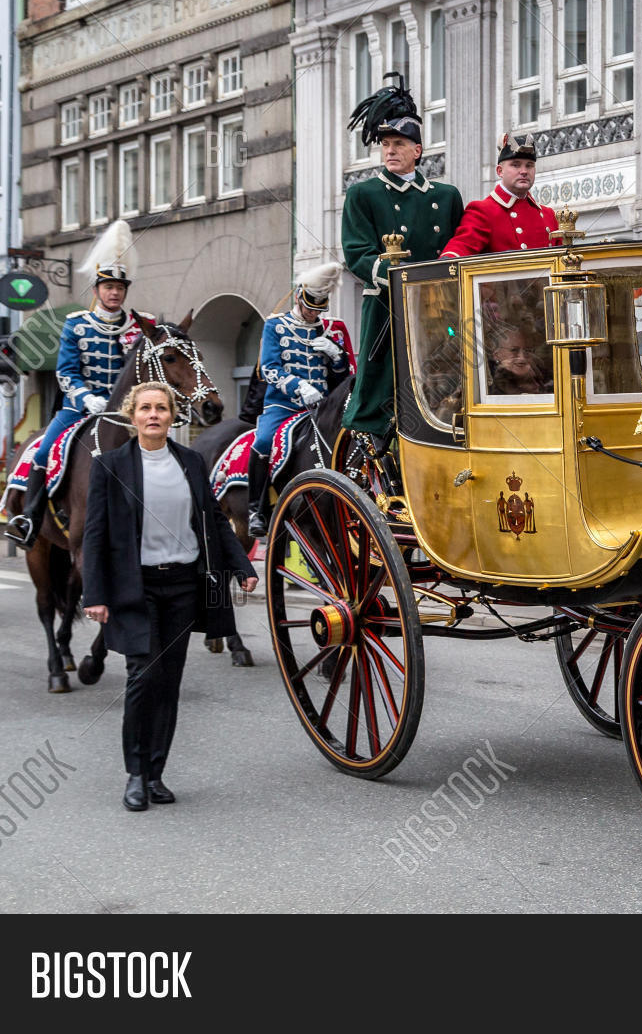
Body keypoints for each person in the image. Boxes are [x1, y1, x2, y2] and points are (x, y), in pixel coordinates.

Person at [82, 380, 258, 811]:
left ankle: (157, 773)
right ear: (133, 416)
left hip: (183, 585)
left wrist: (242, 565)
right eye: (145, 408)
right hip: (135, 588)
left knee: (169, 681)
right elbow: (96, 533)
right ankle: (136, 774)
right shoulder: (111, 465)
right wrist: (95, 594)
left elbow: (214, 522)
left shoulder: (193, 462)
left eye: (161, 408)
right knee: (143, 678)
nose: (154, 415)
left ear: (172, 415)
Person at [8, 222, 150, 547]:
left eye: (120, 287)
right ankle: (29, 517)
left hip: (127, 414)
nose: (114, 293)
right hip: (79, 409)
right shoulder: (77, 325)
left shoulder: (136, 328)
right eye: (108, 286)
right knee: (43, 451)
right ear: (97, 289)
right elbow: (66, 373)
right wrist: (87, 398)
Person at [340, 72, 463, 444]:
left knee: (454, 373)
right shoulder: (364, 194)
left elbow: (458, 248)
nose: (390, 150)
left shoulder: (446, 195)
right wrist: (397, 274)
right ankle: (378, 444)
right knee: (384, 387)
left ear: (418, 150)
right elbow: (357, 253)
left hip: (441, 308)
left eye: (398, 143)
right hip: (386, 308)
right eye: (385, 144)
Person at [247, 262, 354, 538]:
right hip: (284, 405)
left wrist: (336, 354)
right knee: (262, 441)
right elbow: (269, 368)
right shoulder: (275, 325)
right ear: (299, 296)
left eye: (319, 308)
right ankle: (256, 510)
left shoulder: (330, 330)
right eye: (310, 307)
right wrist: (299, 386)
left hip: (321, 405)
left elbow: (345, 375)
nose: (313, 313)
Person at [440, 133, 560, 257]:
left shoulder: (549, 215)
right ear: (500, 171)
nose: (524, 171)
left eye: (529, 165)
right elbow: (460, 247)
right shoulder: (482, 211)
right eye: (516, 165)